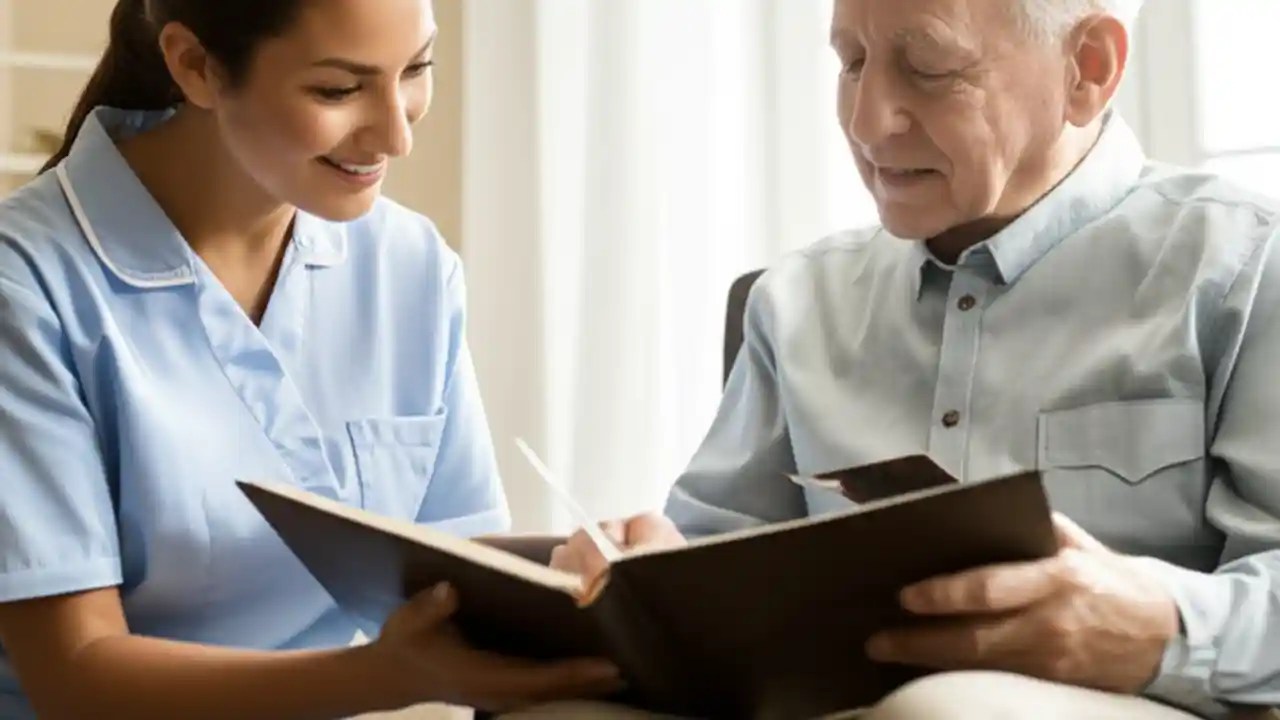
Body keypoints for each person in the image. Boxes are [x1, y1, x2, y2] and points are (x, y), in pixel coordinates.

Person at [542, 0, 1280, 719]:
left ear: (1086, 69)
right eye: (851, 63)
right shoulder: (794, 302)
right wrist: (642, 578)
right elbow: (708, 561)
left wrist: (1163, 627)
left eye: (929, 67)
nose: (868, 123)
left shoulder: (1245, 265)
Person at [0, 0, 623, 718]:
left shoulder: (410, 266)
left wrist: (594, 570)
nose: (396, 133)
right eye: (339, 90)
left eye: (416, 69)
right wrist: (387, 677)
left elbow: (455, 565)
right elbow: (75, 676)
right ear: (195, 65)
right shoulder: (30, 286)